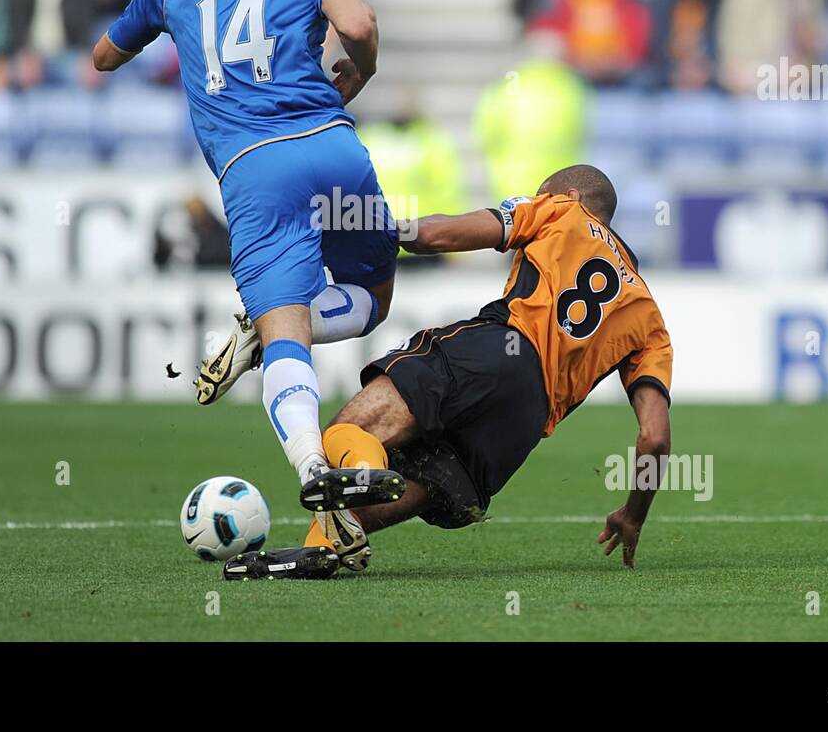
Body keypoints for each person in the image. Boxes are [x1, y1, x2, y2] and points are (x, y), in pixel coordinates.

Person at [92, 0, 401, 570]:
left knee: (284, 325)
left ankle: (308, 462)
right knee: (374, 303)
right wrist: (362, 72)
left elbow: (105, 58)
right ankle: (267, 334)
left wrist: (136, 42)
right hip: (333, 149)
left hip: (255, 170)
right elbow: (359, 24)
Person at [224, 166, 674, 582]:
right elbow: (654, 438)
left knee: (346, 434)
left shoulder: (561, 210)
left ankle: (361, 469)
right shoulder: (650, 321)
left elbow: (437, 237)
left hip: (496, 351)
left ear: (571, 195)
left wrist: (376, 229)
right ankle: (321, 546)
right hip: (523, 425)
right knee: (431, 476)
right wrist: (633, 514)